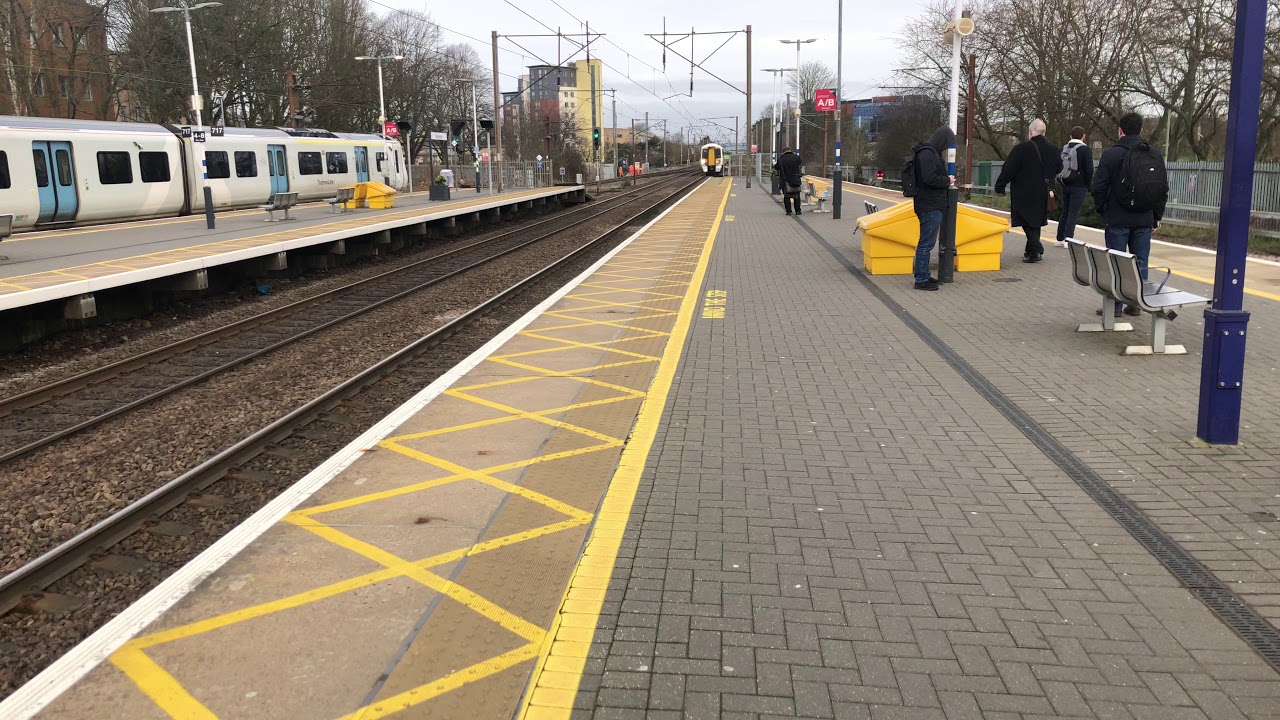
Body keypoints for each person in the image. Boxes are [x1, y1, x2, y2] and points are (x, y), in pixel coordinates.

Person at [1091, 111, 1167, 316]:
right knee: (1140, 262)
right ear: (1141, 130)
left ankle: (1115, 306)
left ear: (1120, 130)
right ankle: (1136, 303)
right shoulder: (1154, 154)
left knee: (1116, 262)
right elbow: (1162, 188)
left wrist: (1102, 208)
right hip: (1144, 217)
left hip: (1117, 218)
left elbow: (1098, 186)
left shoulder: (1112, 154)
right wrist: (1156, 216)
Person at [995, 119, 1062, 263]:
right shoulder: (1054, 150)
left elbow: (1009, 169)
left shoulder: (1022, 149)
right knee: (1036, 221)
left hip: (1024, 192)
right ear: (1044, 132)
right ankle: (1031, 250)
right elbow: (1059, 168)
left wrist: (1000, 185)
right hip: (1044, 192)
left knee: (1026, 220)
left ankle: (1036, 249)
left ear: (1031, 132)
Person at [908, 126, 955, 291]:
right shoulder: (928, 154)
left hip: (929, 203)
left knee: (927, 242)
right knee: (926, 243)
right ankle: (921, 279)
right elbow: (929, 178)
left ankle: (924, 275)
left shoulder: (927, 152)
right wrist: (947, 180)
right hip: (929, 204)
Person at [1055, 126, 1093, 247]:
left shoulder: (1064, 148)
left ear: (1070, 136)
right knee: (1074, 213)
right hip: (1079, 185)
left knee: (1065, 211)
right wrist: (1088, 185)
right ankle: (1068, 239)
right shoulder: (1085, 150)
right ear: (1083, 136)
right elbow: (1089, 169)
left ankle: (1059, 238)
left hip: (1065, 183)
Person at [776, 147, 804, 216]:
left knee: (786, 196)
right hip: (795, 179)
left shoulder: (781, 159)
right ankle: (798, 210)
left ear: (783, 152)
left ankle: (788, 211)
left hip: (785, 180)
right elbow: (800, 164)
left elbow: (776, 167)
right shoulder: (796, 157)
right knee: (797, 196)